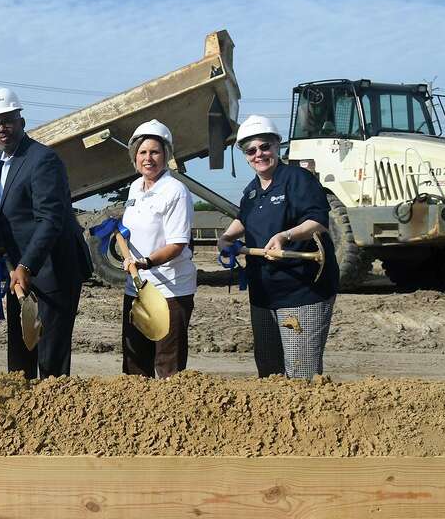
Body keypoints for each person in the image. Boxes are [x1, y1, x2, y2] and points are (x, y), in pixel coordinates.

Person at [0, 86, 93, 379]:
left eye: (7, 120)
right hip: (21, 273)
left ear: (21, 121)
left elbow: (51, 220)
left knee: (50, 359)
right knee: (20, 355)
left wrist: (26, 265)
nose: (1, 129)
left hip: (52, 271)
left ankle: (53, 416)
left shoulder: (42, 159)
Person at [217, 114, 339, 378]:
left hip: (302, 291)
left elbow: (318, 221)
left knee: (300, 372)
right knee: (269, 371)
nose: (258, 154)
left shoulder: (298, 178)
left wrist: (286, 235)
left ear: (277, 146)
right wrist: (226, 237)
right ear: (245, 155)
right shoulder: (251, 190)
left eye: (265, 147)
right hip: (263, 292)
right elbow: (244, 218)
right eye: (251, 150)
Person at [118, 120, 196, 378]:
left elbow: (177, 244)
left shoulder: (175, 191)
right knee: (135, 364)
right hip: (137, 287)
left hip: (169, 291)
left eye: (154, 152)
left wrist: (146, 263)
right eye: (142, 152)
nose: (148, 158)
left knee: (167, 364)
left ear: (166, 155)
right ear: (134, 157)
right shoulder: (135, 188)